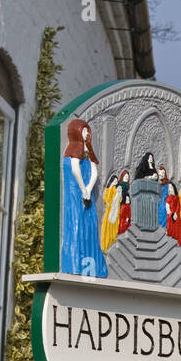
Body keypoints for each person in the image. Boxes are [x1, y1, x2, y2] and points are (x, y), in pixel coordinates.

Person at [61, 119, 108, 278]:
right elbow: (75, 169)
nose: (87, 133)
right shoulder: (74, 149)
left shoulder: (88, 150)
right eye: (84, 130)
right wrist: (83, 189)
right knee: (76, 224)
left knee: (90, 226)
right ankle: (75, 263)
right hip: (75, 194)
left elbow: (94, 172)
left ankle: (92, 265)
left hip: (85, 193)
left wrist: (88, 189)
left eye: (88, 130)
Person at [100, 173, 121, 253]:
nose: (116, 182)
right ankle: (105, 246)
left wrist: (119, 194)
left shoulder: (116, 190)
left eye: (117, 181)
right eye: (115, 180)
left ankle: (111, 244)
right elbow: (107, 200)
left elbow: (119, 200)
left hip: (115, 211)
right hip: (110, 212)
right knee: (108, 228)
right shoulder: (108, 190)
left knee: (114, 228)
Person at [165, 178, 181, 246]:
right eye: (169, 188)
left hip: (177, 216)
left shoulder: (177, 198)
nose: (170, 189)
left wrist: (176, 214)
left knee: (177, 229)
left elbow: (178, 206)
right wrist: (171, 214)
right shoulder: (168, 198)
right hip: (171, 217)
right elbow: (167, 208)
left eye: (171, 187)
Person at [117, 170, 131, 235]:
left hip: (125, 204)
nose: (127, 177)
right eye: (125, 176)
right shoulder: (120, 185)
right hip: (120, 204)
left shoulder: (127, 186)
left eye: (127, 176)